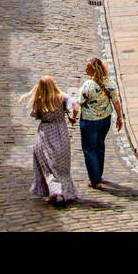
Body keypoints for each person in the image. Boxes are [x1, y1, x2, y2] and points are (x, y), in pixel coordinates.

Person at [21, 77, 78, 206]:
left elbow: (35, 115)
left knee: (48, 166)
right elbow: (75, 106)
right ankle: (66, 192)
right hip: (61, 133)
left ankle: (55, 191)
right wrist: (73, 118)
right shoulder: (61, 96)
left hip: (45, 135)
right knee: (63, 166)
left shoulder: (40, 100)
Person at [77, 56, 123, 189]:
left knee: (89, 149)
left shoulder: (88, 86)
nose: (85, 69)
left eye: (87, 67)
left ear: (93, 69)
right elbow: (116, 102)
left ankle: (95, 180)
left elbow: (80, 102)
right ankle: (99, 174)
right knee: (99, 146)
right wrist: (119, 118)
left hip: (90, 122)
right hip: (105, 121)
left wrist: (74, 115)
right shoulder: (110, 83)